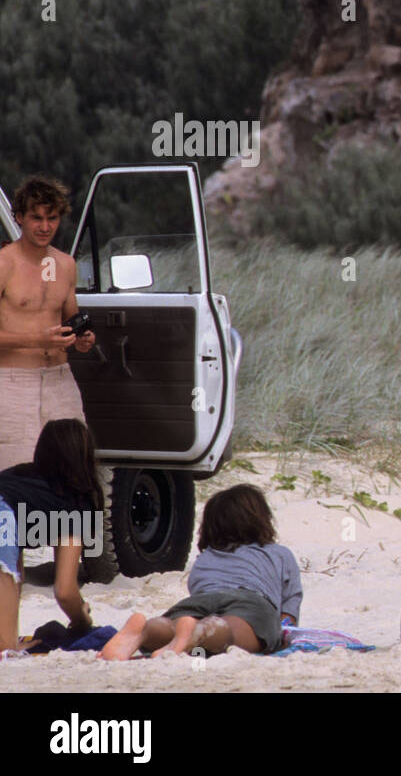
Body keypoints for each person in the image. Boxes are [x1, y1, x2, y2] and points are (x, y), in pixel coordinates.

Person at [99, 484, 301, 659]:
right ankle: (199, 631)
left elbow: (198, 586)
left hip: (202, 599)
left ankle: (145, 631)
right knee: (227, 629)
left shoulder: (205, 558)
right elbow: (288, 616)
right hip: (251, 599)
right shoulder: (279, 554)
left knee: (172, 625)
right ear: (262, 520)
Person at [0, 175, 96, 471]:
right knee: (17, 474)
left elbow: (70, 318)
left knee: (75, 466)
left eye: (52, 218)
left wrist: (83, 339)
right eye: (36, 218)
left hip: (59, 378)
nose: (44, 227)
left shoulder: (65, 264)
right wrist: (36, 340)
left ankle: (68, 519)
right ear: (19, 218)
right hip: (13, 380)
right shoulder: (5, 263)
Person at [0, 419, 103, 653]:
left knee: (15, 568)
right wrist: (81, 619)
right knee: (5, 649)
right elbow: (65, 591)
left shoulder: (19, 476)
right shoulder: (77, 502)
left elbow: (13, 567)